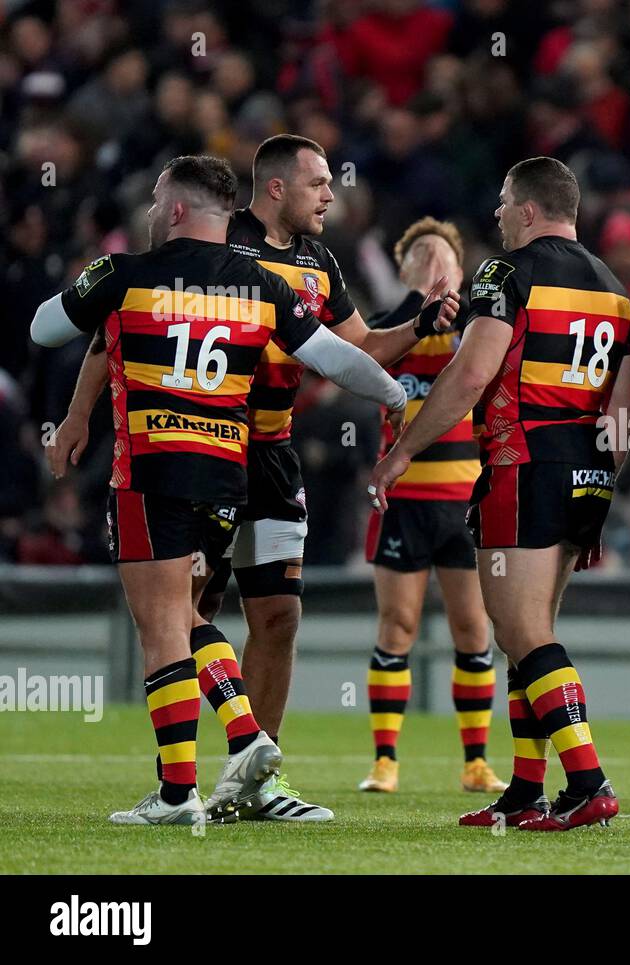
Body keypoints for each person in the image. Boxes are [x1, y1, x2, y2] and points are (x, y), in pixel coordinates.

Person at [47, 134, 458, 822]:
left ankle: (255, 780)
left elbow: (351, 353)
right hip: (207, 447)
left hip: (271, 454)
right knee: (186, 614)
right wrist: (79, 412)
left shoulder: (319, 262)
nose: (331, 194)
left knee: (278, 615)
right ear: (275, 188)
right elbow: (116, 320)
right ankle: (176, 779)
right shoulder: (216, 236)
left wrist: (418, 321)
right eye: (319, 182)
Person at [368, 157, 630, 831]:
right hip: (591, 468)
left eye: (501, 203)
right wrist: (601, 478)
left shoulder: (505, 273)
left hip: (525, 462)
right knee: (528, 636)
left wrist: (402, 450)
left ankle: (590, 780)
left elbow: (469, 375)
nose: (493, 215)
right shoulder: (615, 289)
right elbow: (627, 407)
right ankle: (525, 788)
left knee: (521, 631)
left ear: (525, 208)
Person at [357, 216, 504, 796]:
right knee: (398, 625)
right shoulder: (391, 329)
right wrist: (419, 305)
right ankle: (385, 760)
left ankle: (475, 762)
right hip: (403, 501)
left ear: (461, 269)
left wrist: (450, 305)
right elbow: (368, 357)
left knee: (473, 630)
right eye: (419, 253)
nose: (431, 260)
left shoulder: (478, 325)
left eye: (441, 252)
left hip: (463, 500)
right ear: (403, 270)